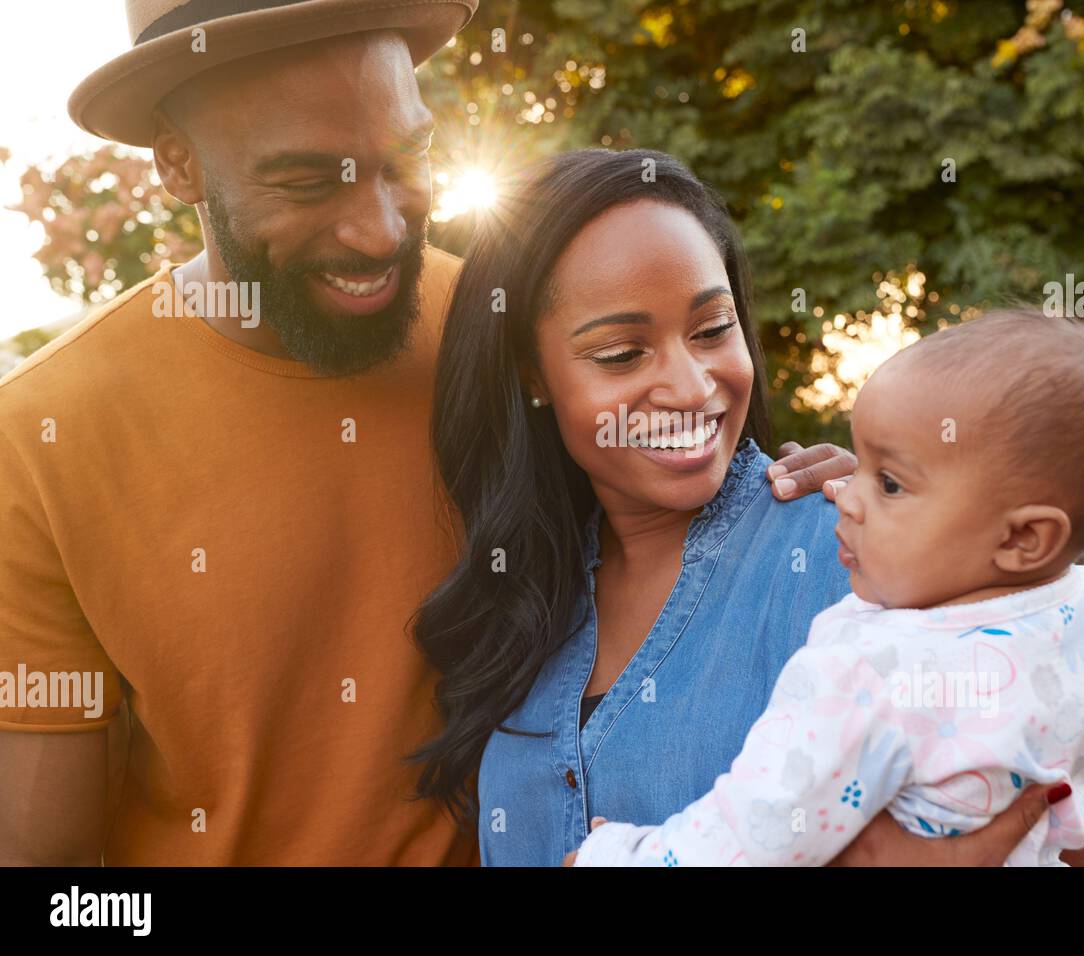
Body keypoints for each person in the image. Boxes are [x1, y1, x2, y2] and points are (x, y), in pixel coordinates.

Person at [0, 0, 848, 867]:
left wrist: (884, 509)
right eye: (306, 181)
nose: (381, 230)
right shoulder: (39, 437)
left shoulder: (509, 328)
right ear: (178, 164)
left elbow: (679, 503)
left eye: (407, 161)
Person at [412, 151, 1084, 866]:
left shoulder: (865, 569)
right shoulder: (520, 585)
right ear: (531, 373)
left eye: (711, 329)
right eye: (621, 353)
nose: (693, 386)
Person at [573, 310, 1084, 866]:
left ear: (1025, 539)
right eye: (861, 464)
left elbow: (757, 836)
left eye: (889, 483)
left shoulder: (876, 668)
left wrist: (616, 856)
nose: (846, 493)